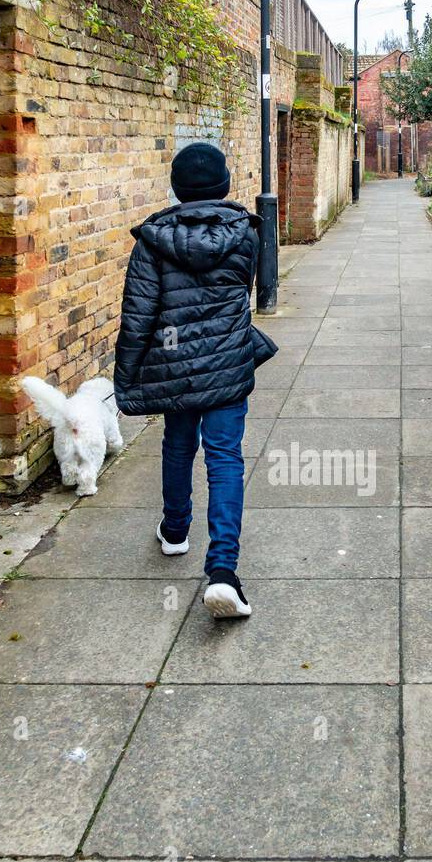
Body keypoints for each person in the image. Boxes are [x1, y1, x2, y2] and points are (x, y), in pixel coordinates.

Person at [114, 142, 276, 619]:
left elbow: (138, 316)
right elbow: (238, 294)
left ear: (177, 188)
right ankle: (223, 572)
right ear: (224, 185)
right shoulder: (246, 232)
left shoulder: (151, 240)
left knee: (179, 443)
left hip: (174, 359)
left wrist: (126, 378)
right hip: (227, 361)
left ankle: (175, 531)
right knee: (225, 456)